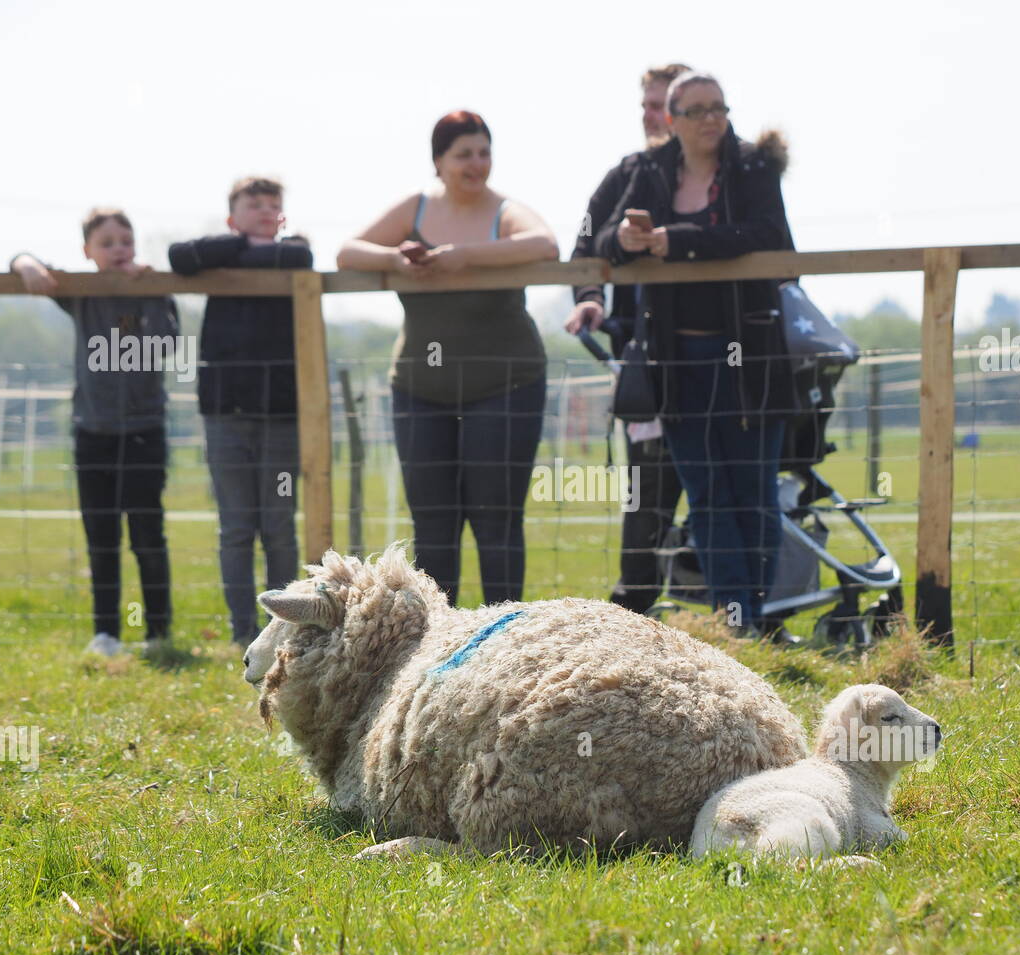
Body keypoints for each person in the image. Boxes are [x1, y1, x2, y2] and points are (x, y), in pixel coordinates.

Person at [592, 72, 801, 642]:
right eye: (698, 109)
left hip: (750, 356)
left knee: (754, 492)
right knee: (707, 495)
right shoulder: (648, 171)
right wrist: (630, 242)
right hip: (675, 358)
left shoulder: (754, 167)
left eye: (719, 108)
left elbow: (769, 236)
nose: (712, 119)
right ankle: (734, 622)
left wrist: (675, 241)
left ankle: (756, 617)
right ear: (672, 120)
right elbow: (600, 236)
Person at [337, 112, 558, 606]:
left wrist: (465, 256)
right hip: (419, 391)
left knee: (496, 516)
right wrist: (394, 259)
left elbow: (545, 243)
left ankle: (504, 637)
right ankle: (440, 642)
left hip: (506, 386)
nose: (476, 163)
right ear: (439, 161)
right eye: (463, 154)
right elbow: (348, 251)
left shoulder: (506, 210)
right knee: (433, 519)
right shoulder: (413, 208)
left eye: (484, 152)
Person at [10, 209, 176, 656]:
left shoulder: (153, 289)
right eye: (107, 242)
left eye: (125, 240)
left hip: (144, 431)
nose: (118, 248)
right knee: (101, 537)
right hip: (92, 432)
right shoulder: (79, 293)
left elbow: (165, 345)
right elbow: (23, 259)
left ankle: (157, 632)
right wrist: (25, 262)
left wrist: (151, 291)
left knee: (147, 536)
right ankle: (106, 633)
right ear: (88, 251)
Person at [565, 63, 689, 616]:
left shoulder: (729, 174)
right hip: (647, 368)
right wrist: (591, 296)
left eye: (661, 104)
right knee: (647, 496)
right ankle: (633, 613)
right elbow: (587, 245)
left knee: (727, 490)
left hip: (723, 362)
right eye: (646, 105)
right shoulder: (628, 174)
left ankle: (750, 614)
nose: (651, 116)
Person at [169, 177, 314, 645]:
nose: (266, 210)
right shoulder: (216, 253)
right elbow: (179, 256)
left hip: (282, 415)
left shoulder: (290, 253)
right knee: (235, 527)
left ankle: (282, 627)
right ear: (232, 218)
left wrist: (233, 252)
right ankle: (240, 632)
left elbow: (300, 257)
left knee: (278, 524)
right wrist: (239, 245)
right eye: (254, 204)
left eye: (274, 204)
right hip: (224, 412)